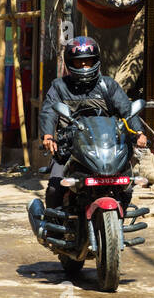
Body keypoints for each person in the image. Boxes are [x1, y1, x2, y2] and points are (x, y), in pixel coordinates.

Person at [39, 36, 147, 208]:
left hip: (106, 147)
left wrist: (138, 132)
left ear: (95, 61)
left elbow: (127, 109)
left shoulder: (108, 85)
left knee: (126, 184)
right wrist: (48, 135)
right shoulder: (59, 86)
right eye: (79, 62)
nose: (84, 66)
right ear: (70, 63)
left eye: (88, 61)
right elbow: (49, 111)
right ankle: (53, 227)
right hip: (70, 148)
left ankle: (120, 216)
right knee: (55, 188)